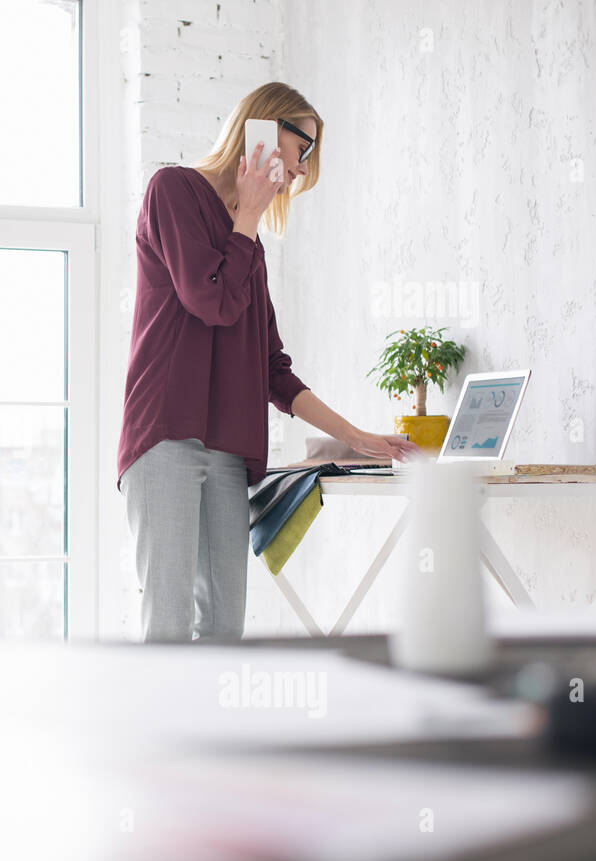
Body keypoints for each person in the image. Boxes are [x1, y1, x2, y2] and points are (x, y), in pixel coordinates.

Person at [117, 81, 420, 644]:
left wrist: (357, 436)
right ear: (260, 125)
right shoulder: (172, 191)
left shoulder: (248, 246)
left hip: (228, 454)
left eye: (307, 158)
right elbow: (208, 298)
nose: (301, 168)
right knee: (169, 627)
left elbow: (273, 370)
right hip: (165, 438)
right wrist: (248, 218)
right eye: (300, 146)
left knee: (224, 629)